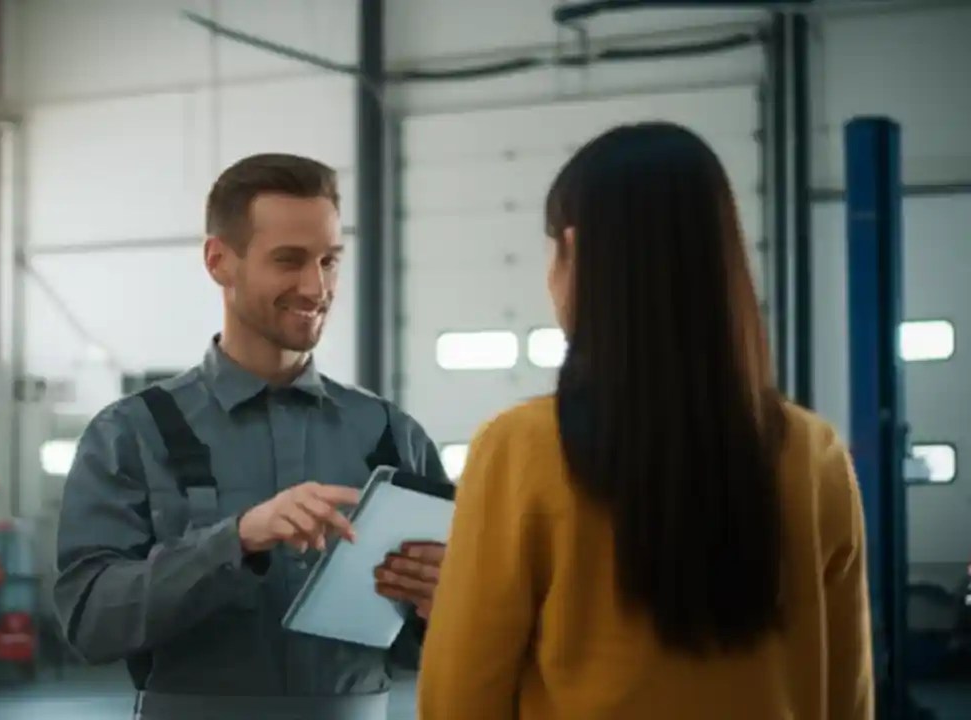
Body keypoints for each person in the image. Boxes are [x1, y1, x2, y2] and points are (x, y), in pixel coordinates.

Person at [417, 123, 873, 720]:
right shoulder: (814, 456)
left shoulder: (521, 449)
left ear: (576, 252)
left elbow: (460, 696)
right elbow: (850, 692)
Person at [54, 152, 452, 720]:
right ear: (220, 260)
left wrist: (445, 603)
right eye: (289, 261)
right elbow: (89, 622)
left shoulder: (392, 436)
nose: (316, 287)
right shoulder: (131, 434)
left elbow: (434, 641)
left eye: (329, 261)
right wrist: (235, 539)